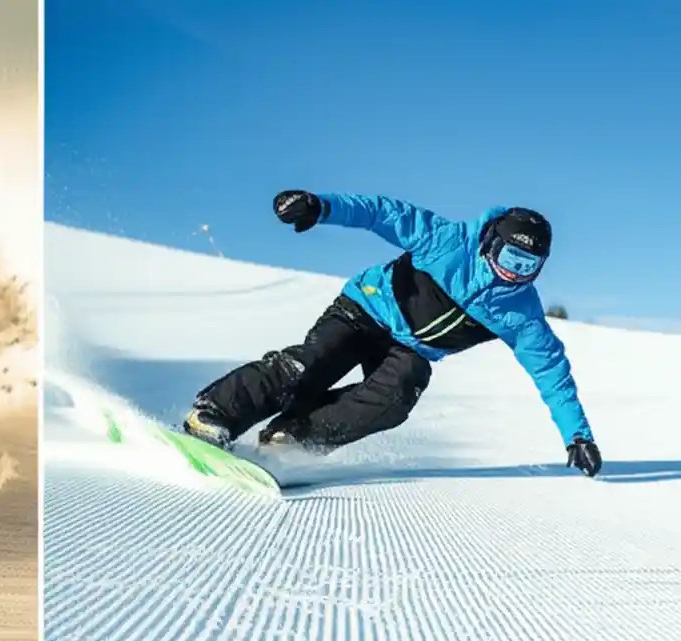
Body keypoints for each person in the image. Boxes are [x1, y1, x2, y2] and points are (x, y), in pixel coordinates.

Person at [183, 190, 603, 478]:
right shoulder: (447, 240)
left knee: (398, 394)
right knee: (311, 365)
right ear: (491, 242)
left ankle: (292, 438)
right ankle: (215, 414)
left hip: (408, 347)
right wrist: (319, 207)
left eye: (529, 266)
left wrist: (577, 435)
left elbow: (552, 375)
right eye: (511, 257)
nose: (514, 272)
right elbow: (382, 212)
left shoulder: (521, 312)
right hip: (365, 309)